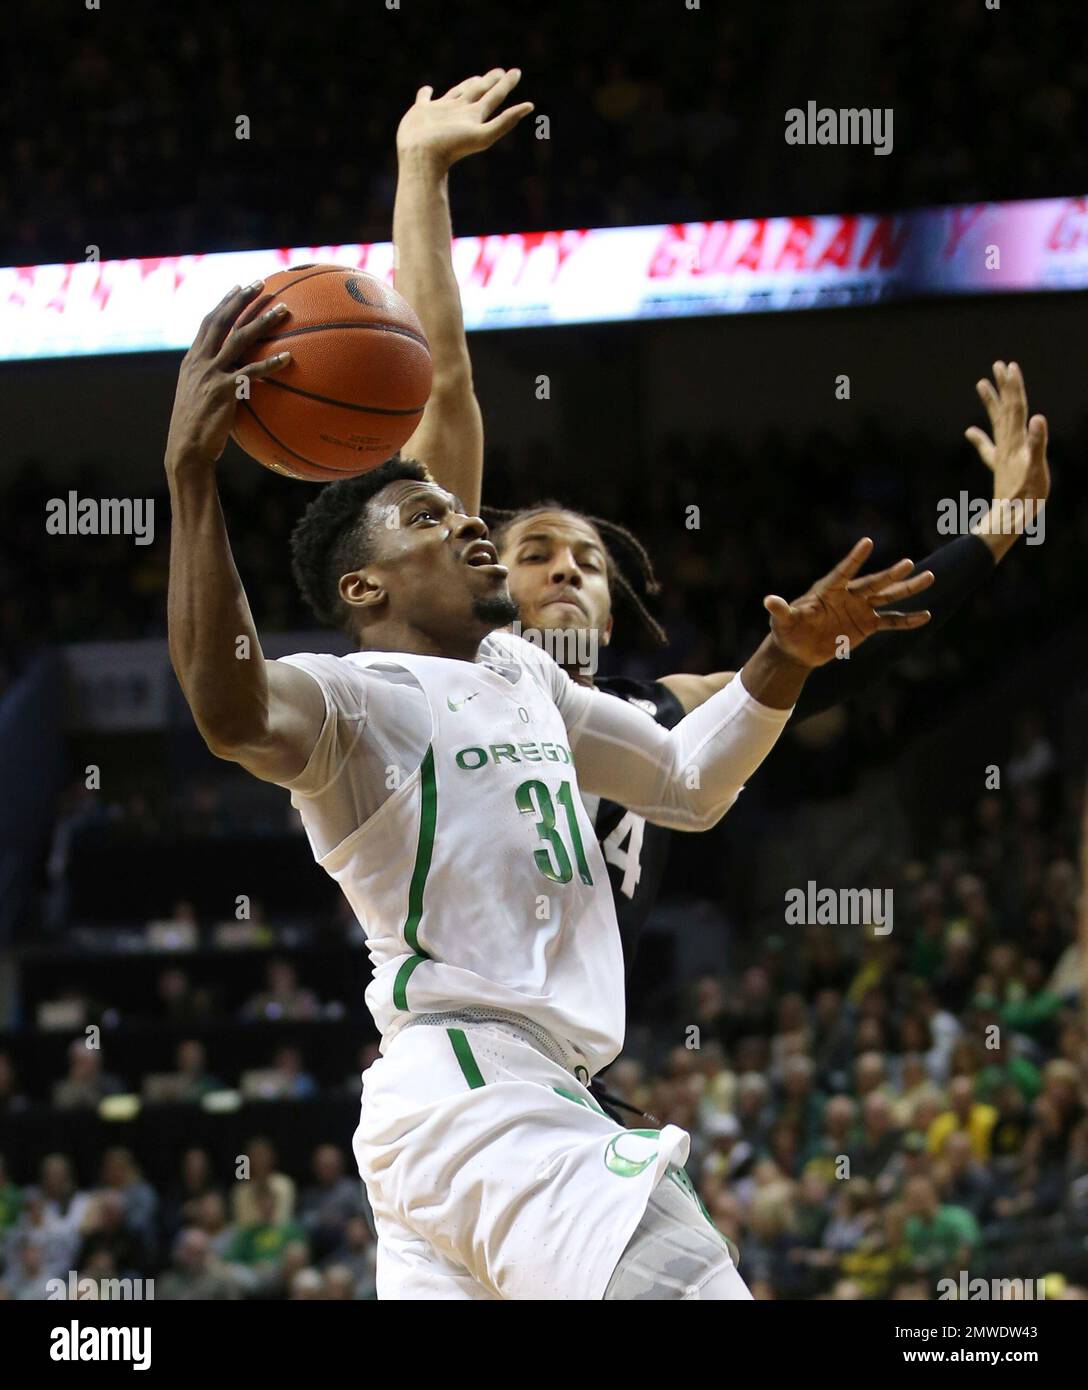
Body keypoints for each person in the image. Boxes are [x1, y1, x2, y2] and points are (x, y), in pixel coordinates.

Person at [165, 281, 932, 1300]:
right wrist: (191, 476)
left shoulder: (524, 678)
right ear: (364, 588)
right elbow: (231, 709)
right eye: (429, 518)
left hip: (478, 1111)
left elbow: (687, 782)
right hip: (481, 1088)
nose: (468, 522)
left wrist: (783, 659)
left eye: (464, 510)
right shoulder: (349, 699)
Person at [389, 71, 1052, 1122]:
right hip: (457, 1059)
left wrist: (999, 527)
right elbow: (444, 389)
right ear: (480, 580)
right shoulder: (453, 670)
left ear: (610, 614)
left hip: (565, 1080)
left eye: (589, 563)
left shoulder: (657, 710)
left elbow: (842, 653)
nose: (567, 567)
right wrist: (421, 175)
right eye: (534, 552)